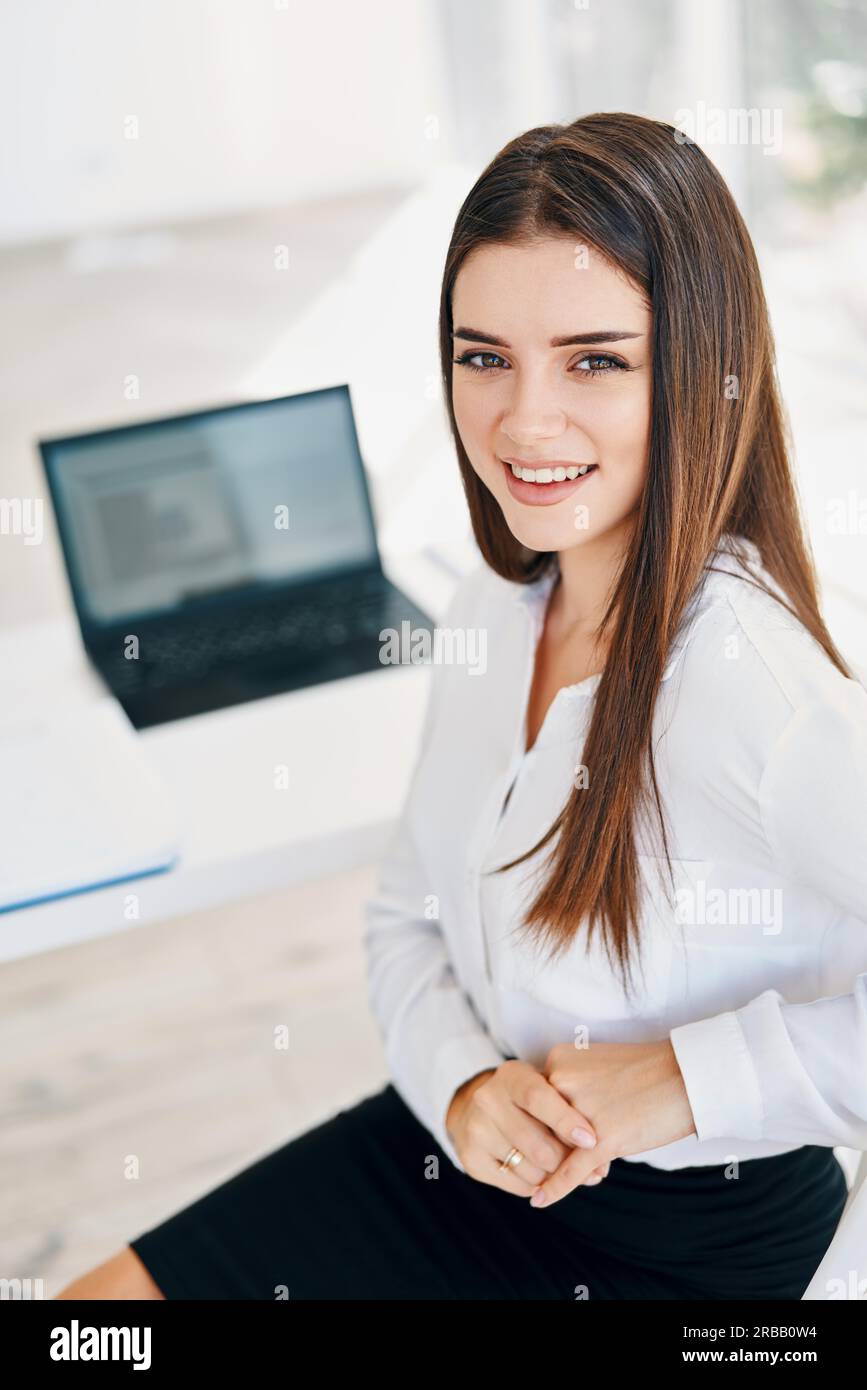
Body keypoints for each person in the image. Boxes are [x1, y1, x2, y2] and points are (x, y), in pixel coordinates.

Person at [57, 111, 867, 1301]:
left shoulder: (760, 689)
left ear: (701, 367)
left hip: (694, 1256)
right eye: (484, 356)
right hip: (461, 1158)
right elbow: (406, 916)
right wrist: (460, 1088)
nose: (522, 422)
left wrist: (691, 1080)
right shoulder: (500, 603)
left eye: (595, 359)